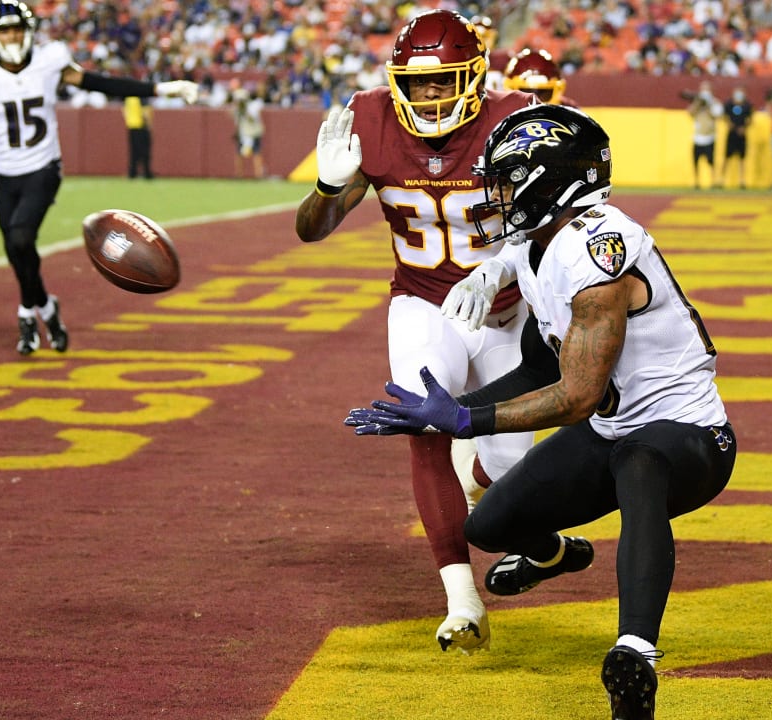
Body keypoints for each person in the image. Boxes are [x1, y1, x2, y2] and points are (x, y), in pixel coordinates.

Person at [345, 104, 736, 720]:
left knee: (639, 464)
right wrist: (438, 411)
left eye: (505, 179)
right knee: (489, 526)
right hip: (611, 430)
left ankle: (634, 653)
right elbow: (536, 368)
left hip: (689, 437)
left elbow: (576, 395)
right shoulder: (536, 249)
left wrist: (469, 422)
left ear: (548, 181)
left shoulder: (599, 251)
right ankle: (555, 553)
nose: (492, 193)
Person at [294, 9, 538, 655]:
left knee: (518, 484)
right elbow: (310, 229)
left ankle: (497, 489)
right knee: (422, 419)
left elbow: (555, 226)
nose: (429, 97)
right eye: (417, 83)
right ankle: (461, 599)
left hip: (505, 312)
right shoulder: (372, 120)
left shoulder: (512, 119)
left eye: (444, 81)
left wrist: (505, 272)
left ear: (477, 77)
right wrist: (326, 186)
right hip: (424, 301)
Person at [0, 0, 198, 355]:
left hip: (43, 168)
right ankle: (44, 307)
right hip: (5, 174)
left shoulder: (50, 61)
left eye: (17, 28)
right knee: (18, 251)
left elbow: (99, 83)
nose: (12, 35)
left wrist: (162, 89)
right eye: (4, 29)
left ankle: (26, 314)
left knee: (19, 239)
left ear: (29, 31)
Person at [503, 48, 577, 107]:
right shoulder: (501, 111)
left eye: (543, 93)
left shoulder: (568, 109)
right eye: (526, 92)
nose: (536, 102)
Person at [686, 81, 721, 190]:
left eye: (707, 89)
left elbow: (716, 116)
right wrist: (698, 103)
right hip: (697, 137)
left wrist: (707, 106)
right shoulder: (697, 102)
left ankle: (713, 181)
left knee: (711, 161)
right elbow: (690, 113)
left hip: (709, 137)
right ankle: (697, 182)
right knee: (696, 161)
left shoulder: (715, 102)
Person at [718, 86, 752, 189]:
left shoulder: (747, 105)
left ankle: (742, 181)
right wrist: (729, 124)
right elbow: (724, 116)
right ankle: (721, 180)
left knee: (742, 158)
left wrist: (744, 127)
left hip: (741, 134)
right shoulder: (729, 104)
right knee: (727, 156)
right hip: (731, 133)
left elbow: (750, 119)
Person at [232, 84, 265, 178]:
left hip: (253, 133)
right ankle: (239, 174)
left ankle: (259, 174)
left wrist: (244, 110)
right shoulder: (237, 109)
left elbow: (252, 119)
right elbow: (235, 119)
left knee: (256, 153)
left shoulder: (253, 106)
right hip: (243, 133)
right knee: (239, 154)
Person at [123, 94, 154, 179]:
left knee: (134, 151)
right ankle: (146, 172)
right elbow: (145, 112)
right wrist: (149, 124)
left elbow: (125, 111)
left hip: (132, 126)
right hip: (141, 126)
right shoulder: (141, 97)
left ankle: (133, 172)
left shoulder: (129, 98)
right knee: (145, 152)